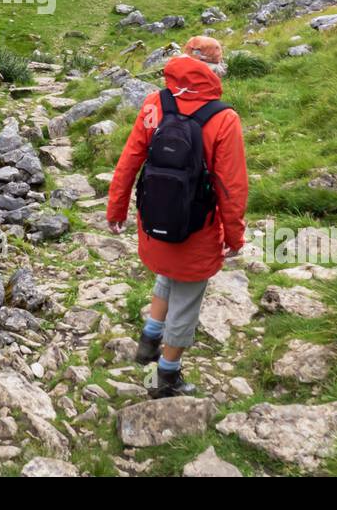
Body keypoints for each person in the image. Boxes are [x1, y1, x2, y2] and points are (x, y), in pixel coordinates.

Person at [105, 36, 249, 397]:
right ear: (217, 70)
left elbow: (130, 161)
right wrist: (234, 237)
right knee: (187, 299)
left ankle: (149, 340)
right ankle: (165, 379)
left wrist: (117, 208)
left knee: (167, 275)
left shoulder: (155, 102)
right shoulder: (224, 118)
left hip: (154, 223)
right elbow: (232, 188)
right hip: (196, 230)